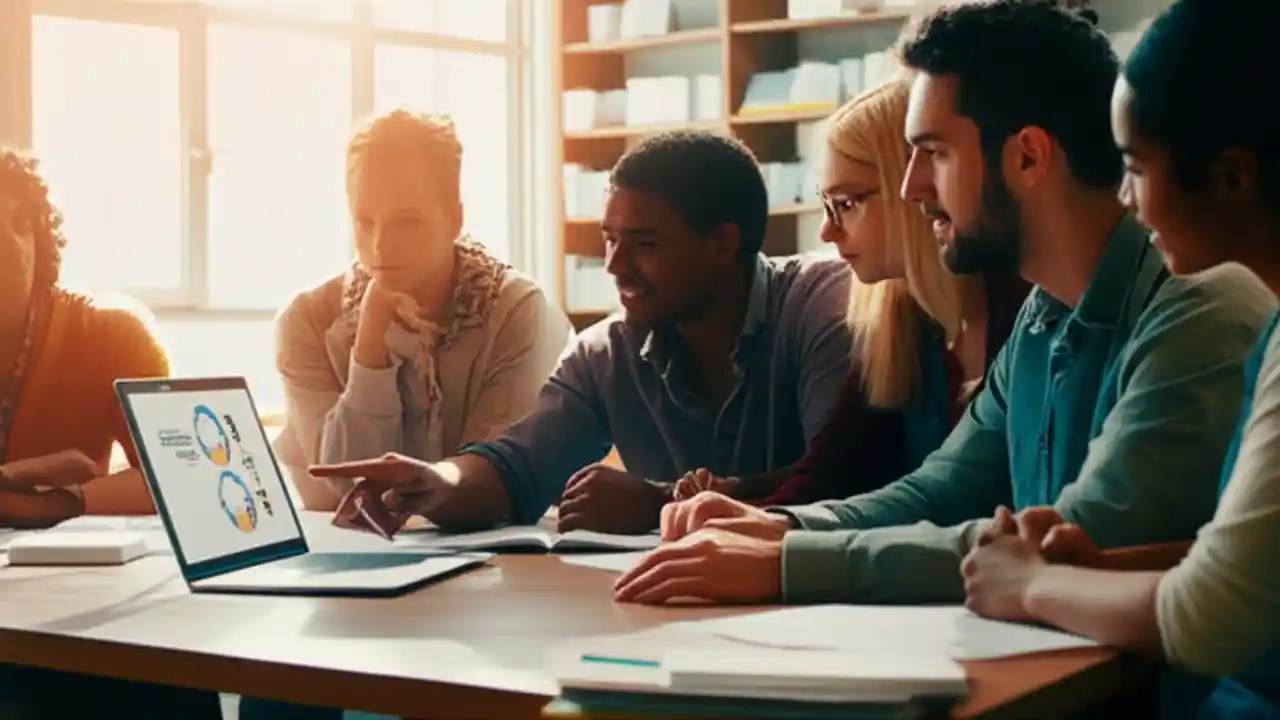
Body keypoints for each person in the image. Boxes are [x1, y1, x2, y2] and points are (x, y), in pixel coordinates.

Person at [611, 0, 1276, 606]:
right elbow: (944, 489)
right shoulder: (1044, 315)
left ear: (1027, 157)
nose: (911, 185)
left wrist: (786, 562)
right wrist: (780, 526)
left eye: (933, 152)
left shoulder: (1194, 307)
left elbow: (1082, 542)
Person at [962, 2, 1280, 717]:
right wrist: (1100, 569)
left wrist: (1032, 586)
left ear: (1232, 177)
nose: (1126, 201)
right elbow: (1257, 567)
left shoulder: (1209, 309)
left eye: (1134, 169)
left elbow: (1213, 616)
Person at [311, 130, 853, 536]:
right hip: (683, 614)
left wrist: (661, 503)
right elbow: (515, 467)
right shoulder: (605, 353)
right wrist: (432, 483)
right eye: (609, 240)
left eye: (643, 243)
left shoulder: (821, 305)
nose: (614, 267)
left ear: (722, 244)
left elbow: (844, 475)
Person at [673, 79, 1029, 507]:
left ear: (913, 189)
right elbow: (833, 474)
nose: (827, 230)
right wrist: (742, 522)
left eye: (846, 203)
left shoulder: (1025, 310)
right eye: (825, 206)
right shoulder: (901, 325)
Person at [0, 150, 220, 716]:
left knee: (166, 673)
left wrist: (58, 502)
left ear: (34, 236)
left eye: (14, 227)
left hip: (81, 615)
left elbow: (186, 482)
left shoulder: (109, 334)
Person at [272, 109, 572, 511]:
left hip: (492, 557)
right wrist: (370, 348)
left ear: (454, 220)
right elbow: (349, 486)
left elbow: (493, 480)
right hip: (338, 559)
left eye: (406, 222)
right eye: (364, 222)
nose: (379, 247)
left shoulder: (518, 312)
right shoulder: (307, 320)